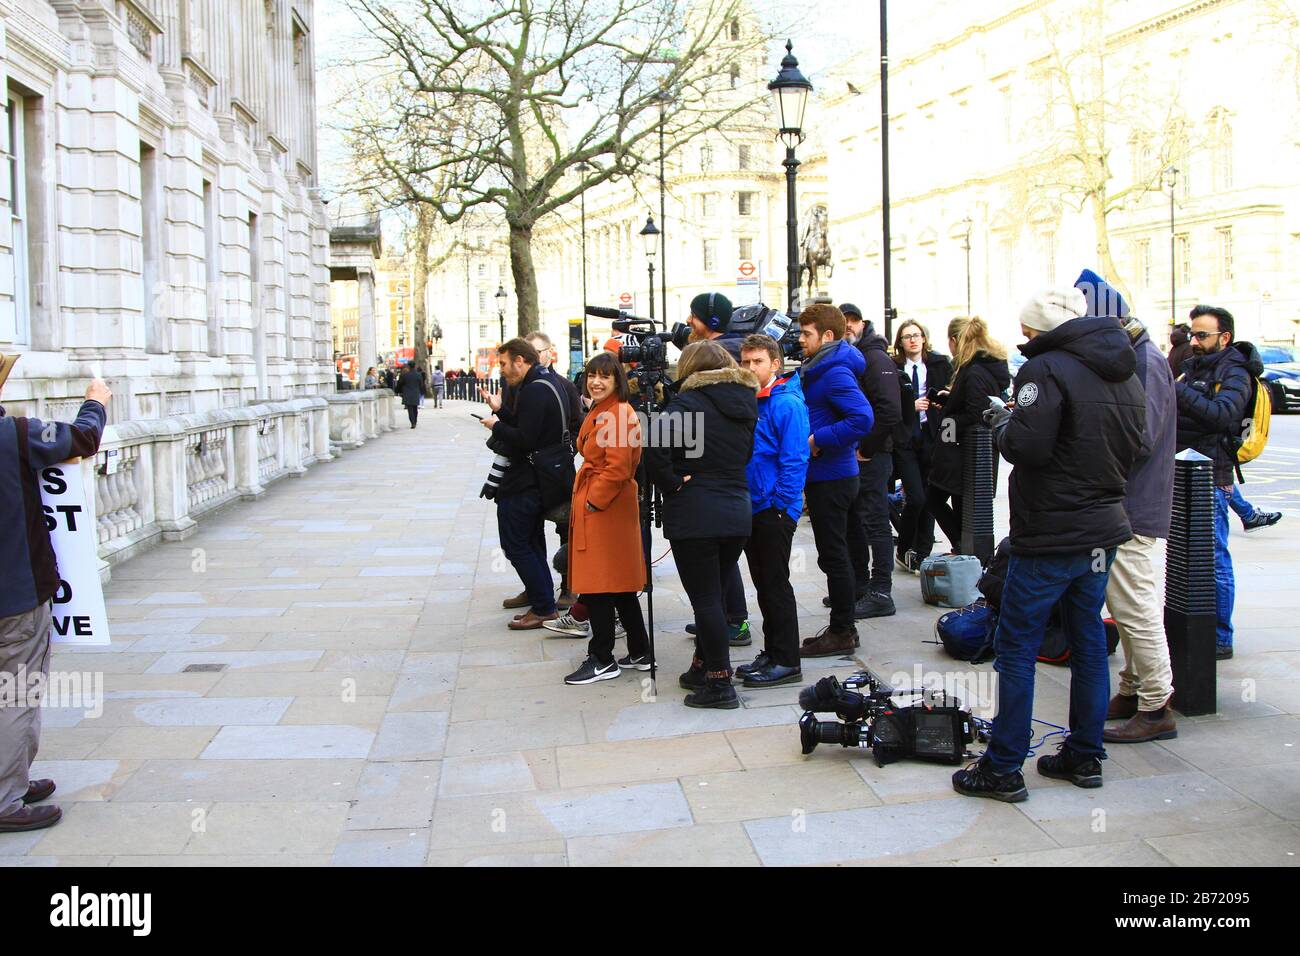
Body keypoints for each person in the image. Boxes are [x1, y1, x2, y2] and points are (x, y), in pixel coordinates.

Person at [952, 287, 1145, 802]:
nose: (1022, 338)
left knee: (1016, 644)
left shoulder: (1046, 369)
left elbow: (1028, 446)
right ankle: (1084, 754)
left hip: (1053, 530)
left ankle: (1003, 766)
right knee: (1086, 641)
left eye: (1027, 330)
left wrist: (1004, 423)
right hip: (1103, 529)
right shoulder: (1123, 366)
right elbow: (1140, 443)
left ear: (1039, 330)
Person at [1067, 271, 1179, 744]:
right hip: (1124, 504)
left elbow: (1142, 436)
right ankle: (1134, 690)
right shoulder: (1131, 355)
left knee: (1135, 608)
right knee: (1124, 603)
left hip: (1134, 507)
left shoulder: (1144, 360)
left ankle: (1157, 705)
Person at [0, 365, 110, 832]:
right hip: (14, 595)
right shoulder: (14, 435)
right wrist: (96, 402)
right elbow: (83, 439)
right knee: (16, 694)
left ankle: (15, 778)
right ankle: (6, 799)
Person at [647, 340, 758, 708]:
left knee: (707, 601)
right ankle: (702, 666)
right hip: (736, 509)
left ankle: (720, 683)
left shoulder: (685, 404)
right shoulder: (744, 402)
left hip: (697, 512)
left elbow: (653, 452)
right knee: (718, 592)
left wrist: (673, 482)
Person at [1174, 304, 1264, 660]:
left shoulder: (1235, 371)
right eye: (1192, 333)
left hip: (1212, 474)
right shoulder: (1192, 368)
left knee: (1214, 556)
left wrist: (1177, 391)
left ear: (1224, 337)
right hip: (1184, 471)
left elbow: (1223, 415)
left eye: (1202, 335)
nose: (1194, 341)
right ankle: (1192, 625)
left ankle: (1220, 636)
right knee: (1187, 555)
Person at [563, 352, 652, 684]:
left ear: (617, 381)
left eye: (604, 376)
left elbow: (617, 468)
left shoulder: (615, 414)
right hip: (608, 503)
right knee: (618, 583)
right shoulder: (607, 409)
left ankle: (602, 658)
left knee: (599, 583)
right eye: (591, 375)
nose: (596, 381)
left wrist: (593, 503)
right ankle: (640, 650)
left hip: (606, 505)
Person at [794, 304, 875, 658]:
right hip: (832, 474)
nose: (800, 340)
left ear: (827, 336)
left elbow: (862, 419)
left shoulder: (834, 371)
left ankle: (843, 630)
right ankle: (842, 625)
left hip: (832, 476)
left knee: (834, 555)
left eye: (806, 334)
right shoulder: (824, 367)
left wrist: (817, 440)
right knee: (839, 553)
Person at [735, 334, 810, 687]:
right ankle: (773, 651)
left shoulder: (786, 404)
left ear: (775, 364)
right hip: (755, 505)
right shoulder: (753, 399)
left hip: (773, 508)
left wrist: (781, 505)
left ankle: (786, 660)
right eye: (745, 362)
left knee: (775, 584)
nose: (750, 368)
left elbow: (795, 459)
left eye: (757, 362)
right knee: (764, 584)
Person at [479, 339, 565, 630]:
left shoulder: (533, 390)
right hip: (542, 476)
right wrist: (501, 411)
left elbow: (525, 439)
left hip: (527, 480)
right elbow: (530, 427)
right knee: (530, 541)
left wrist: (496, 425)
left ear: (520, 360)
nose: (501, 370)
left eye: (503, 363)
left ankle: (543, 607)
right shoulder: (546, 383)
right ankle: (543, 601)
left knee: (516, 543)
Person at [926, 317, 1009, 553]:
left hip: (964, 453)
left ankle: (965, 551)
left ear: (954, 341)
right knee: (961, 508)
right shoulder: (982, 367)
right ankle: (965, 552)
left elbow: (976, 413)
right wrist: (949, 401)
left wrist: (949, 419)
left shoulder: (974, 371)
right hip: (968, 454)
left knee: (937, 499)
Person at [841, 303, 902, 619]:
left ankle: (881, 591)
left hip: (873, 456)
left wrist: (866, 449)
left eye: (850, 323)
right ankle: (861, 585)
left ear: (859, 323)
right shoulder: (860, 357)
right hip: (861, 455)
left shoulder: (875, 358)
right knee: (858, 521)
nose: (846, 329)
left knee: (875, 521)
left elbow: (890, 410)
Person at [892, 320, 952, 570]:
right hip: (906, 438)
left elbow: (950, 394)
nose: (913, 340)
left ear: (924, 338)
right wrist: (911, 406)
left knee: (928, 497)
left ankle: (921, 553)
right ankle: (905, 546)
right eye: (907, 337)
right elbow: (889, 402)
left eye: (917, 335)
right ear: (900, 342)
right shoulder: (893, 368)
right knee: (915, 497)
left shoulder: (938, 364)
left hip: (931, 435)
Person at [685, 291, 747, 360]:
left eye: (694, 315)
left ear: (713, 322)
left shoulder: (709, 355)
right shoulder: (741, 346)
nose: (688, 320)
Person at [396, 361, 426, 428]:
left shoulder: (405, 375)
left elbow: (400, 384)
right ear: (415, 366)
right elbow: (421, 384)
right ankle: (415, 421)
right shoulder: (418, 375)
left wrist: (398, 391)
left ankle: (412, 422)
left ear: (409, 366)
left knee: (410, 409)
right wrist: (421, 391)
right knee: (415, 408)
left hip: (407, 393)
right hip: (415, 393)